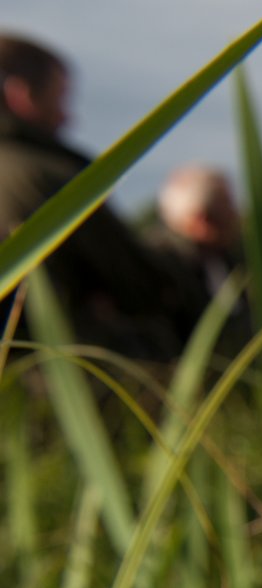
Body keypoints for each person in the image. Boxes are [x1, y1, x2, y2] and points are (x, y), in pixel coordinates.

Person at [0, 33, 192, 358]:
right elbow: (140, 286)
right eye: (59, 99)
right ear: (21, 96)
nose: (67, 117)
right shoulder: (47, 177)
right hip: (47, 379)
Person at [148, 164, 250, 348]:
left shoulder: (223, 257)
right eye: (228, 206)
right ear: (200, 220)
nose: (236, 215)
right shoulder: (158, 265)